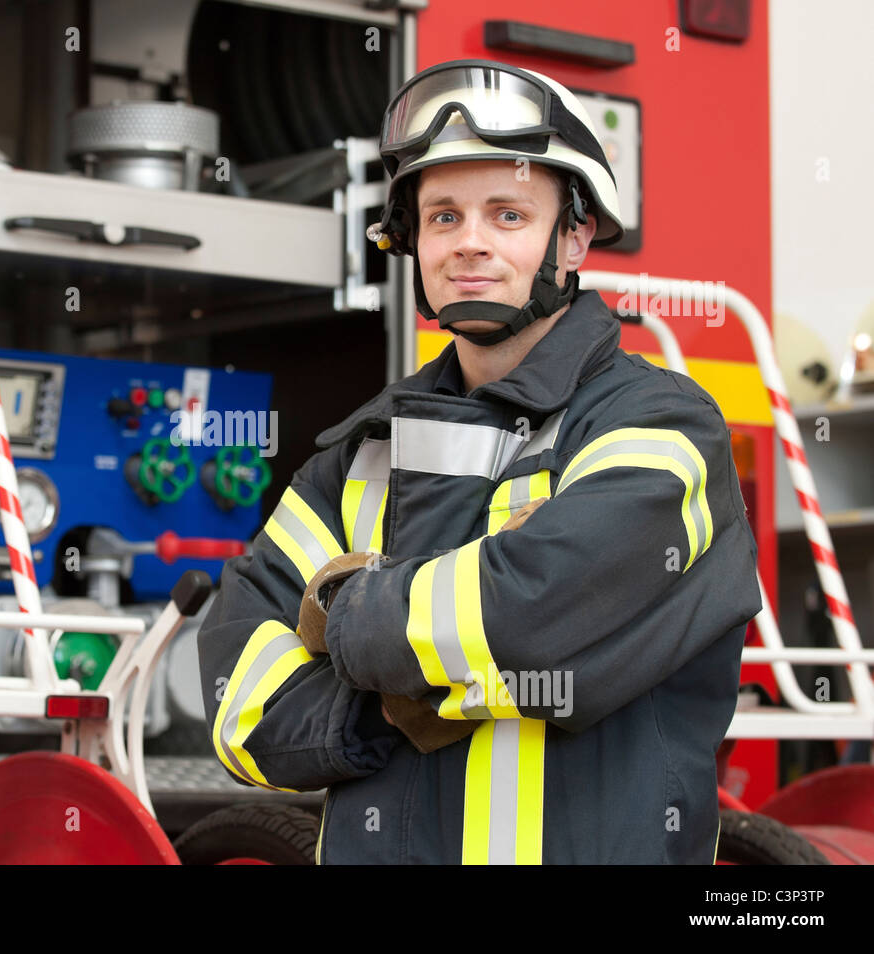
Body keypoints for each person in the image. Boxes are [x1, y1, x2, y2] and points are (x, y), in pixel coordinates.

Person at [195, 59, 762, 864]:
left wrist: (346, 609)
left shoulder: (661, 425)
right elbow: (232, 684)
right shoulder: (363, 453)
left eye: (507, 214)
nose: (470, 244)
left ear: (573, 236)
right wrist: (378, 712)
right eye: (443, 217)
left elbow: (533, 619)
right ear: (410, 240)